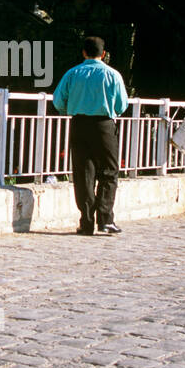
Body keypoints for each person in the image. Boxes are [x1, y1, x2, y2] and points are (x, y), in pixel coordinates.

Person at [53, 36, 129, 235]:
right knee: (109, 171)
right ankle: (105, 218)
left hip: (79, 124)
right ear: (103, 54)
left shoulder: (72, 73)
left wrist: (71, 107)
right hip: (104, 125)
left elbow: (58, 101)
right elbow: (122, 105)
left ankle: (86, 221)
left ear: (83, 52)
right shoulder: (113, 75)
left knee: (83, 173)